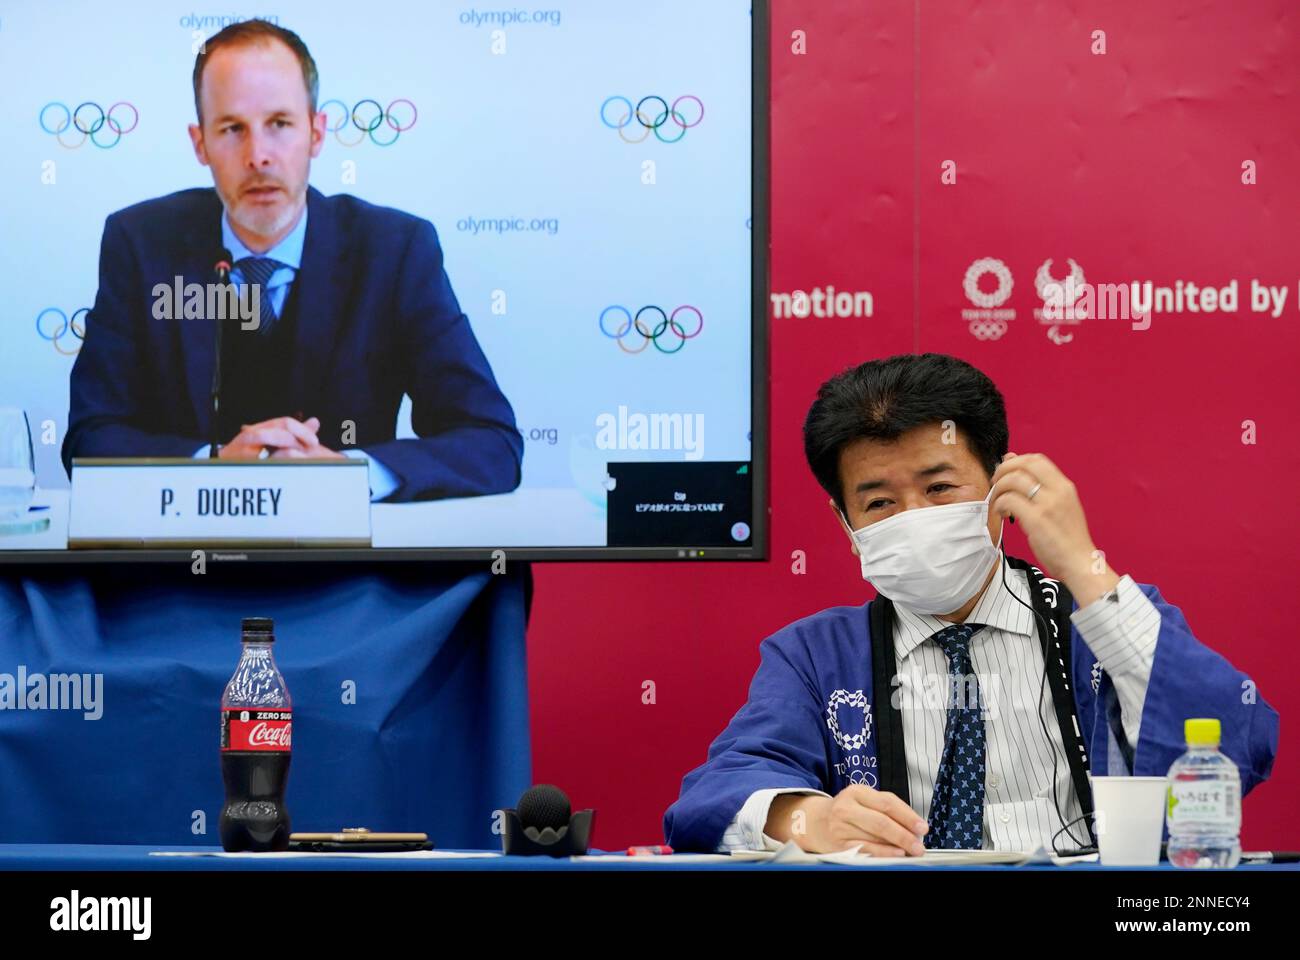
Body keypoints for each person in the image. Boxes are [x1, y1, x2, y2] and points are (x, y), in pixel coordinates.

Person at [663, 353, 1279, 854]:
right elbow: (711, 797)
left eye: (939, 488)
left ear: (999, 482)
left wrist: (1086, 571)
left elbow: (1236, 746)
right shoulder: (814, 656)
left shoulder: (1102, 619)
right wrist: (806, 820)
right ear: (844, 521)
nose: (915, 518)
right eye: (879, 503)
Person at [62, 19, 522, 503]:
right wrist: (212, 465)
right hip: (188, 567)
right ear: (200, 144)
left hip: (346, 571)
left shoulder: (395, 250)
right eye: (232, 129)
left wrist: (348, 473)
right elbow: (90, 442)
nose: (258, 156)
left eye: (280, 124)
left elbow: (492, 442)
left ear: (316, 133)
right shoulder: (140, 244)